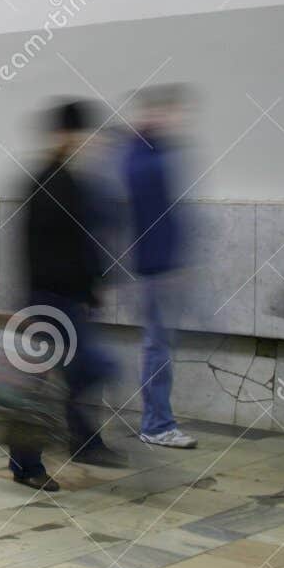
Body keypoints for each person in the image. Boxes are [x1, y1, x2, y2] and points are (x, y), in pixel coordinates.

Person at [6, 99, 126, 492]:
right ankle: (27, 463)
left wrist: (92, 286)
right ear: (63, 137)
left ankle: (81, 440)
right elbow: (34, 249)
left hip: (68, 299)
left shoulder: (73, 182)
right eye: (80, 135)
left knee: (76, 375)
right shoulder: (44, 182)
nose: (87, 143)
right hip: (47, 301)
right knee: (45, 383)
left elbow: (85, 242)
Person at [121, 85, 197, 450]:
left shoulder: (148, 155)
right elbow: (150, 217)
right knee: (157, 348)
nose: (174, 118)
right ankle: (156, 424)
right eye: (168, 111)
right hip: (156, 270)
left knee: (158, 346)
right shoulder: (143, 158)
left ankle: (158, 421)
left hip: (161, 268)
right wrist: (164, 265)